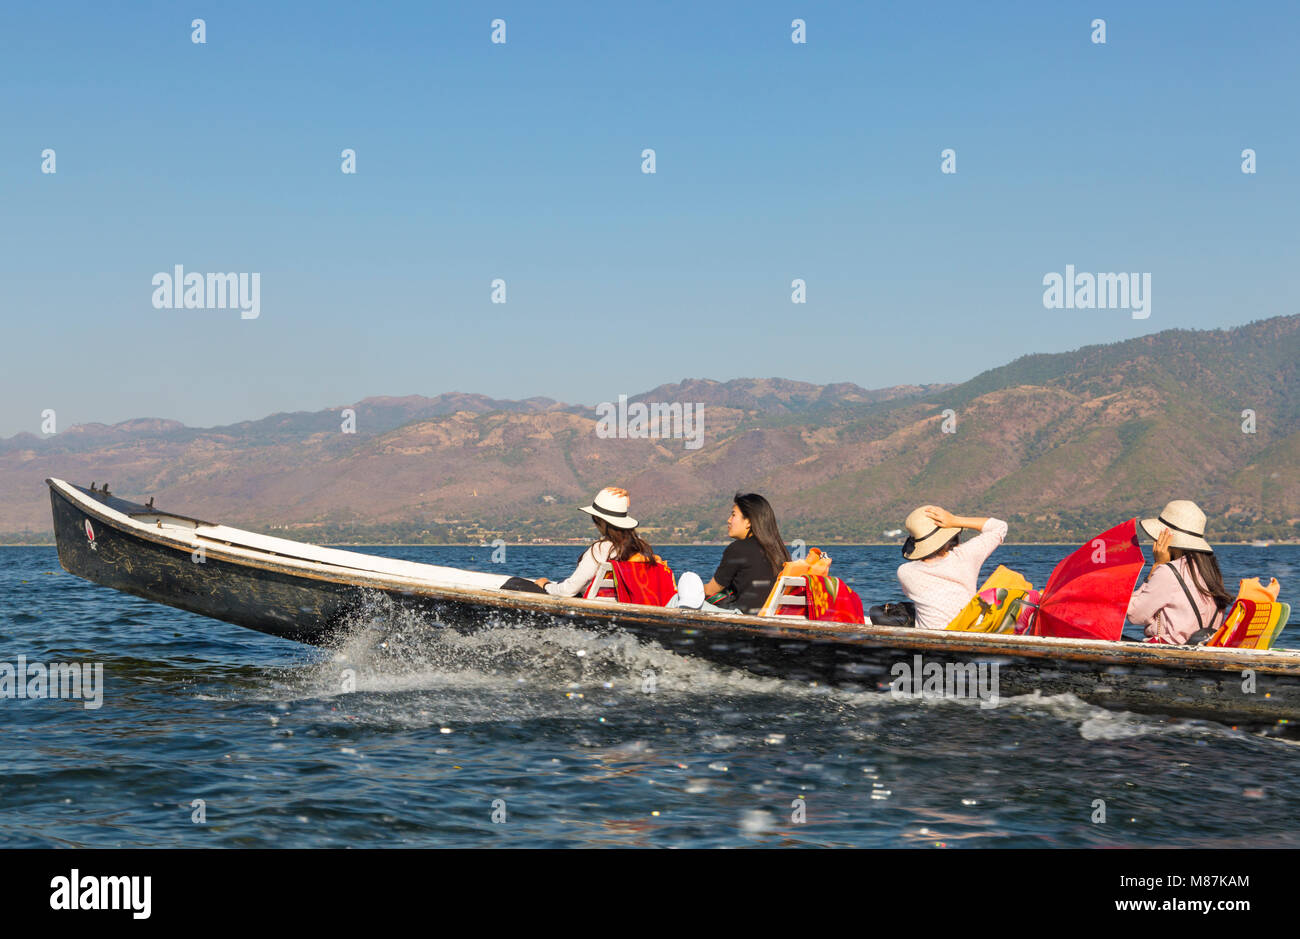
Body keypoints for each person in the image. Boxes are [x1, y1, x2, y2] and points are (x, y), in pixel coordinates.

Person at [1127, 500, 1231, 644]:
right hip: (1203, 647)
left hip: (1168, 651)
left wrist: (1156, 566)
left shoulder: (1167, 572)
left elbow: (1134, 615)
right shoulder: (1210, 571)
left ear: (1166, 538)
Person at [895, 506, 1008, 629]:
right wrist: (954, 520)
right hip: (966, 630)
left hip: (932, 641)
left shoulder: (905, 571)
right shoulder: (965, 556)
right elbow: (999, 526)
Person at [533, 487, 657, 598]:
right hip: (622, 605)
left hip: (593, 609)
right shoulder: (640, 548)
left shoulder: (602, 549)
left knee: (515, 583)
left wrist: (545, 585)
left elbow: (569, 591)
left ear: (599, 520)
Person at [701, 493, 791, 615]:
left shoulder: (737, 549)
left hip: (743, 617)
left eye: (733, 515)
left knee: (676, 599)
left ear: (748, 521)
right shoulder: (780, 551)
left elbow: (711, 590)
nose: (728, 520)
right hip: (772, 617)